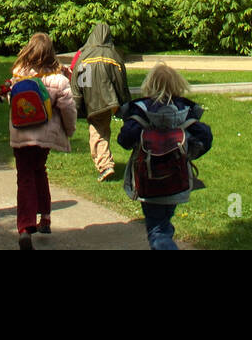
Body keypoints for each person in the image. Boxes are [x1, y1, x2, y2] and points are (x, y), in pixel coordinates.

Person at [117, 64, 213, 251]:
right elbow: (205, 137)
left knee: (158, 231)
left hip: (148, 181)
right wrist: (190, 152)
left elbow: (125, 139)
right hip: (177, 180)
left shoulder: (141, 110)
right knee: (163, 224)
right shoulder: (185, 109)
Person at [4, 32, 76, 250]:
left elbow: (11, 100)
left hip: (22, 134)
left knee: (24, 177)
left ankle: (25, 226)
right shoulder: (59, 79)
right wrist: (70, 130)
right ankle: (45, 217)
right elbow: (68, 109)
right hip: (45, 136)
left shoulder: (19, 76)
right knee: (39, 171)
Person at [70, 22, 131, 182]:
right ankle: (107, 162)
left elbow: (81, 83)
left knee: (97, 130)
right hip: (109, 100)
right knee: (102, 129)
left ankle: (105, 165)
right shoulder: (114, 56)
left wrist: (78, 105)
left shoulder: (85, 56)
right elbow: (120, 82)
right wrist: (125, 103)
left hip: (92, 100)